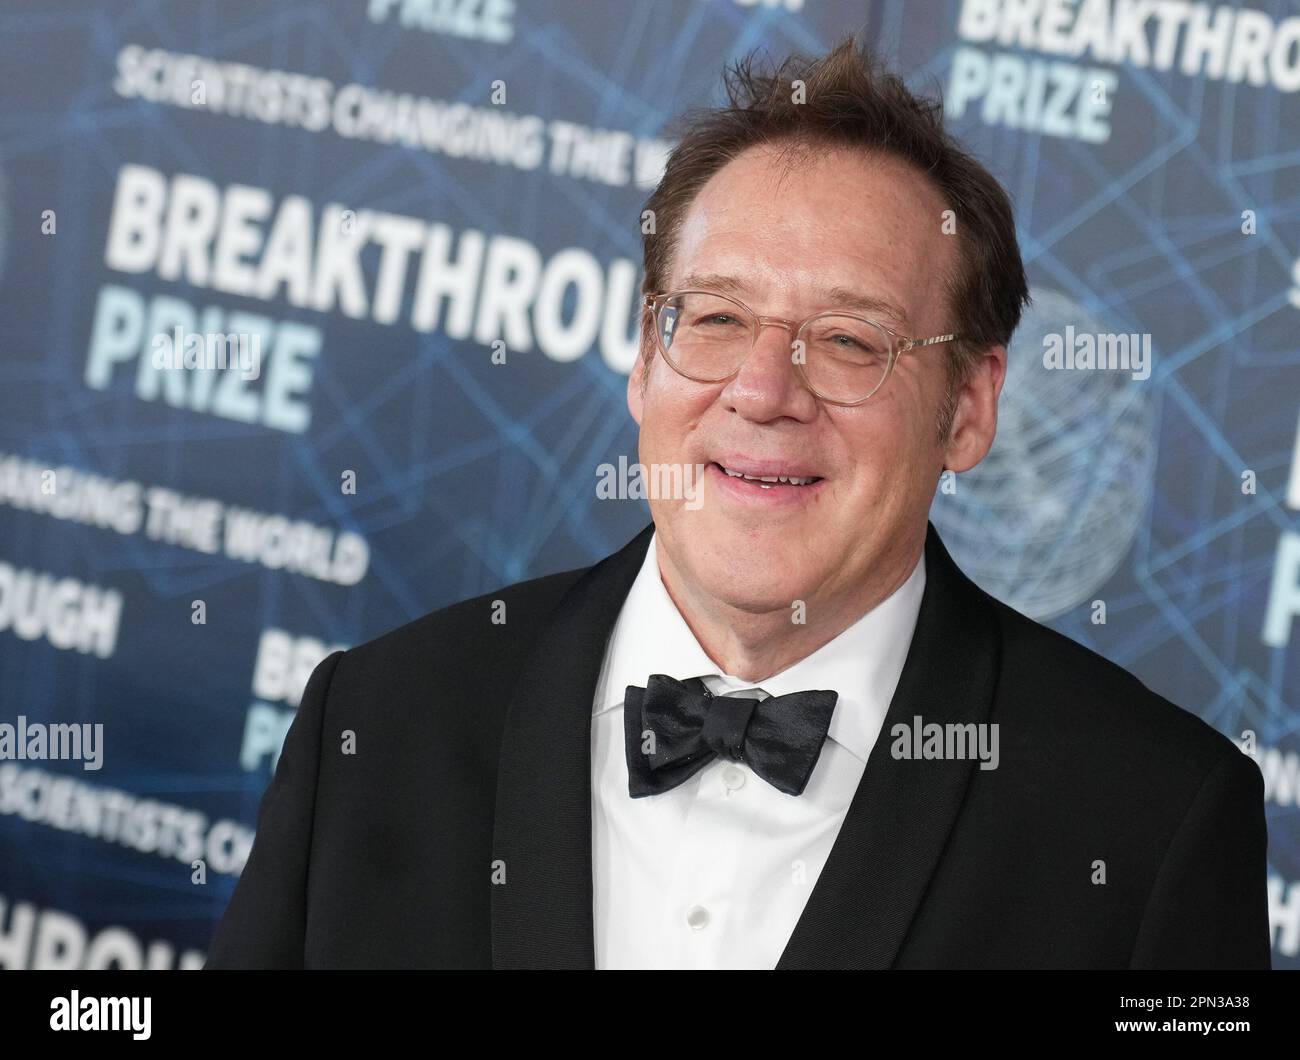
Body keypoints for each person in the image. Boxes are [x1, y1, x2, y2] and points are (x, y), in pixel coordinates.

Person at [205, 37, 1271, 970]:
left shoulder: (1151, 821)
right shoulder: (377, 722)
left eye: (852, 340)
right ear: (641, 359)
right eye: (713, 319)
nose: (762, 391)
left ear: (969, 409)